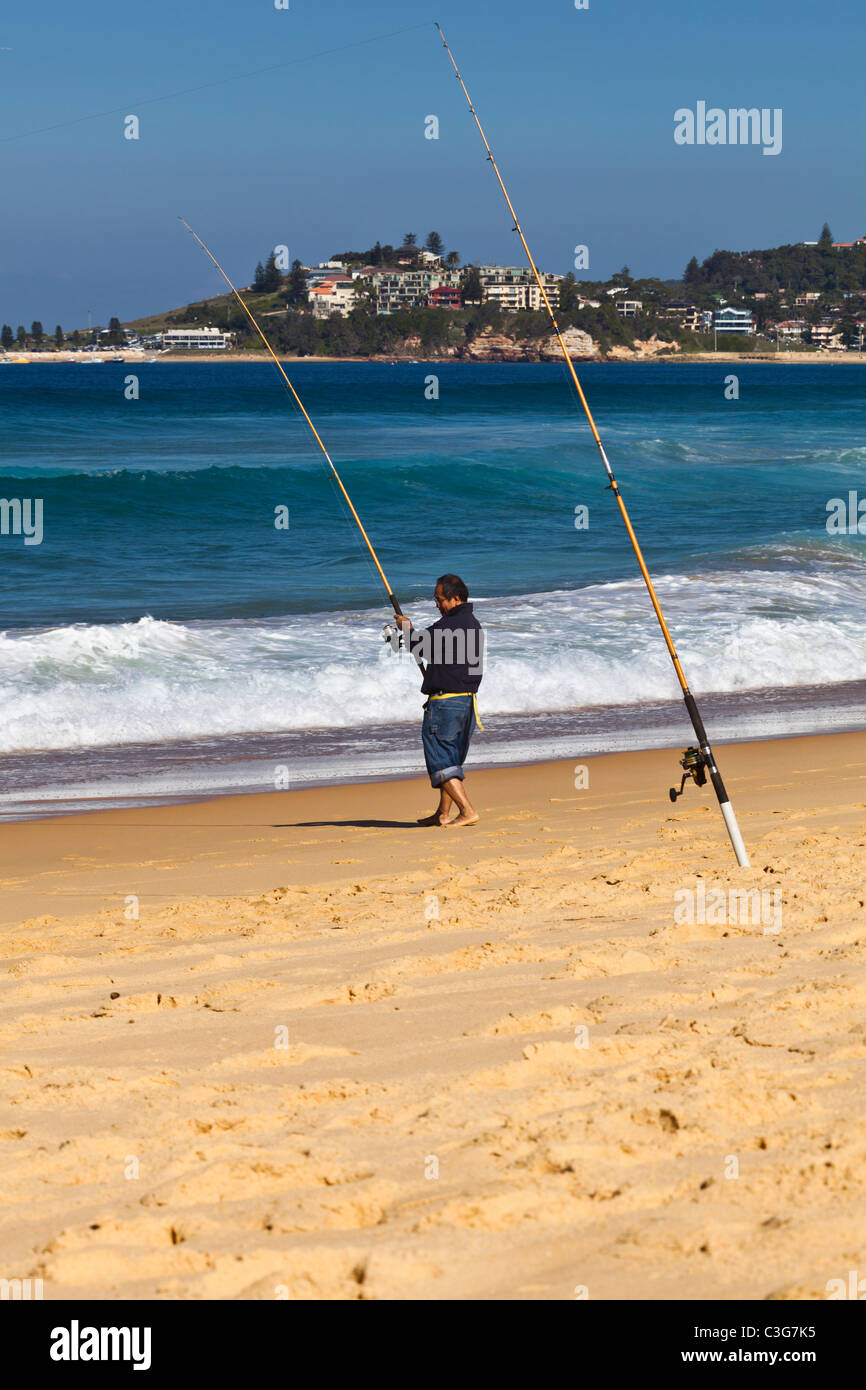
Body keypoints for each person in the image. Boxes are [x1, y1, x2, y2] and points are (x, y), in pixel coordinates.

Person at [395, 573, 484, 828]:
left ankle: (467, 810)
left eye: (440, 599)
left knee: (440, 758)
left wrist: (406, 629)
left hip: (446, 703)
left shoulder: (449, 626)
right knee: (451, 759)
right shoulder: (472, 623)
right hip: (467, 703)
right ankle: (442, 814)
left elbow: (416, 646)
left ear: (455, 598)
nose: (437, 604)